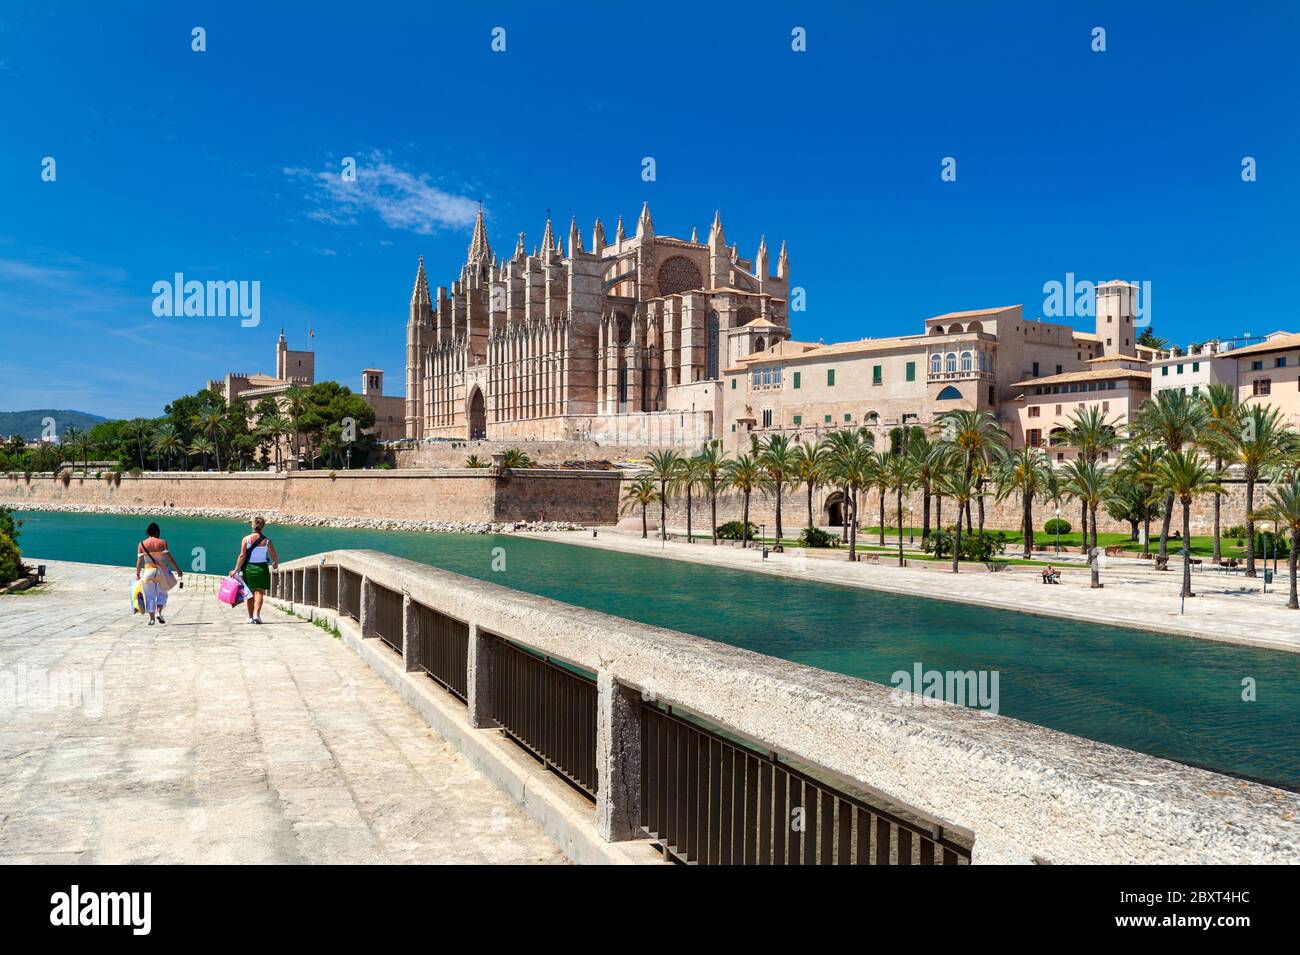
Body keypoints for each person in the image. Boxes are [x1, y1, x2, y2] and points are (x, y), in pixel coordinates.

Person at [231, 516, 279, 624]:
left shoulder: (246, 539)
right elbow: (275, 557)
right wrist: (275, 563)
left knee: (249, 594)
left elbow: (242, 556)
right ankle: (257, 615)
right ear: (263, 527)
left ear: (252, 525)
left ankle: (250, 617)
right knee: (260, 592)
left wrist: (236, 569)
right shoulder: (267, 541)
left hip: (249, 568)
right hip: (262, 568)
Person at [135, 522, 183, 625]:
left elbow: (139, 562)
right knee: (162, 593)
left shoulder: (141, 544)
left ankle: (151, 619)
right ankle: (158, 612)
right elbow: (169, 559)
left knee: (149, 595)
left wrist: (138, 574)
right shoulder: (162, 542)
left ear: (148, 532)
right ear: (158, 532)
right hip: (161, 572)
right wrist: (178, 570)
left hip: (148, 572)